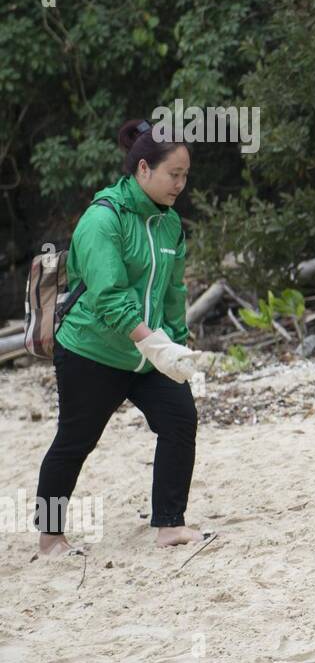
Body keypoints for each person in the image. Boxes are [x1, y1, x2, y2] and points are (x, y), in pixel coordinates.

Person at [35, 119, 204, 556]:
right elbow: (109, 297)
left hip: (147, 356)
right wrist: (153, 343)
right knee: (75, 441)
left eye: (186, 176)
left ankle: (169, 524)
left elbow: (173, 293)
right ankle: (50, 536)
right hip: (92, 351)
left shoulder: (169, 226)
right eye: (174, 175)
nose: (180, 185)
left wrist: (178, 347)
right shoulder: (102, 218)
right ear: (144, 169)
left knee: (180, 421)